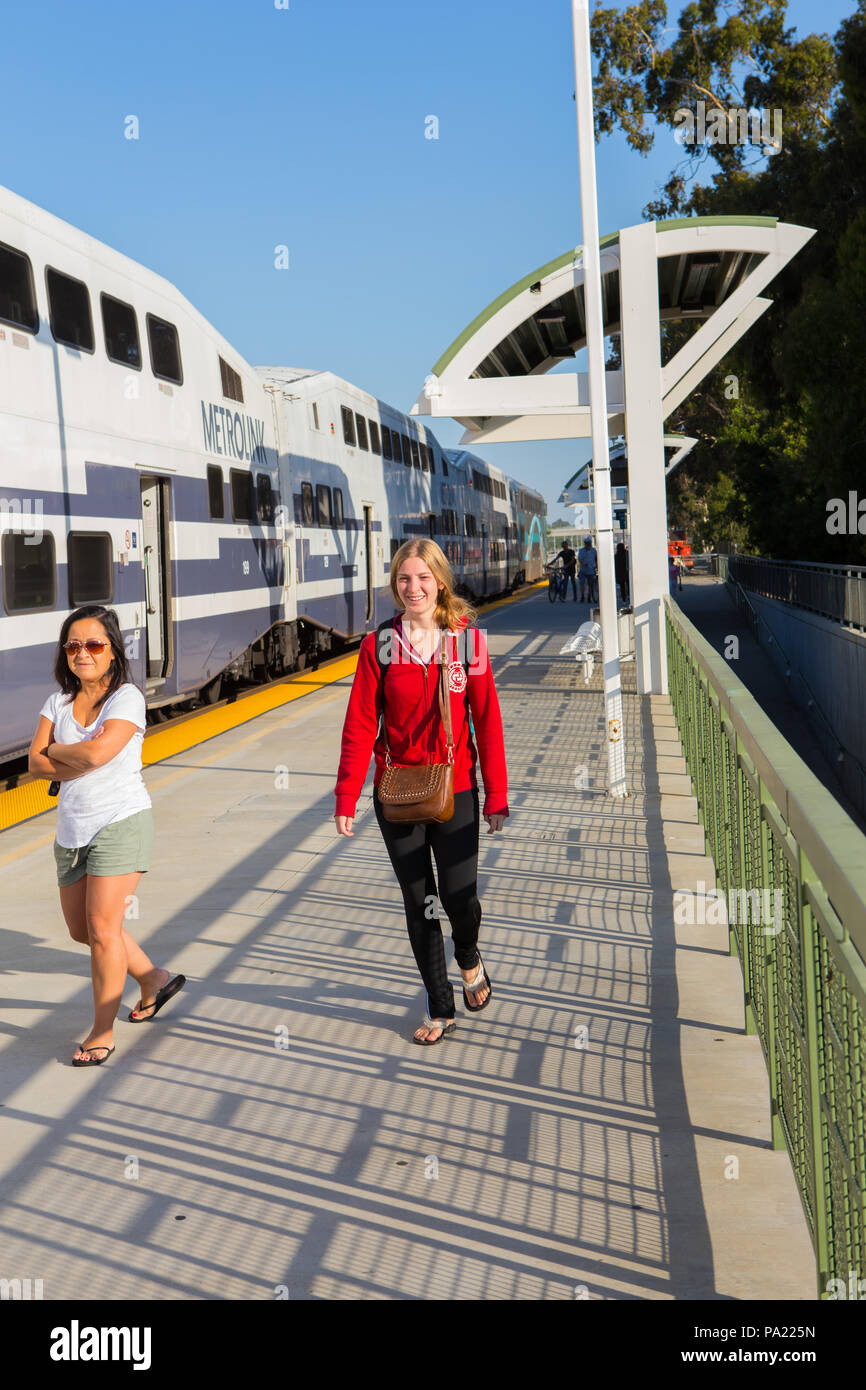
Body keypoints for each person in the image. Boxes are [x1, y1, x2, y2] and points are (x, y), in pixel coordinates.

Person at [334, 539, 508, 1046]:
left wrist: (496, 795)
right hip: (397, 792)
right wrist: (346, 796)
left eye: (423, 578)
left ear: (440, 581)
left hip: (455, 790)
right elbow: (360, 723)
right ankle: (439, 1004)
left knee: (460, 898)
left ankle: (469, 955)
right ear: (395, 585)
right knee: (420, 902)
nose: (413, 588)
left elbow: (487, 721)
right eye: (404, 579)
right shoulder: (379, 645)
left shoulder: (467, 642)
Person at [28, 606, 185, 1067]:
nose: (83, 654)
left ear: (113, 651)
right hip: (73, 828)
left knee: (101, 930)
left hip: (121, 820)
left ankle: (101, 1031)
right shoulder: (56, 702)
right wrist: (60, 755)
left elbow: (97, 754)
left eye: (94, 645)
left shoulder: (127, 698)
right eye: (73, 646)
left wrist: (55, 747)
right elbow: (33, 766)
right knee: (84, 930)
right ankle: (153, 978)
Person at [577, 536, 598, 603]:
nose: (588, 544)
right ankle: (582, 596)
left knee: (590, 584)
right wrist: (583, 563)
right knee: (582, 583)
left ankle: (589, 596)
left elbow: (596, 559)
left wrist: (597, 567)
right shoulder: (581, 550)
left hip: (591, 570)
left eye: (589, 543)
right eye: (586, 543)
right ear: (585, 543)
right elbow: (579, 559)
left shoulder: (594, 550)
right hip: (583, 569)